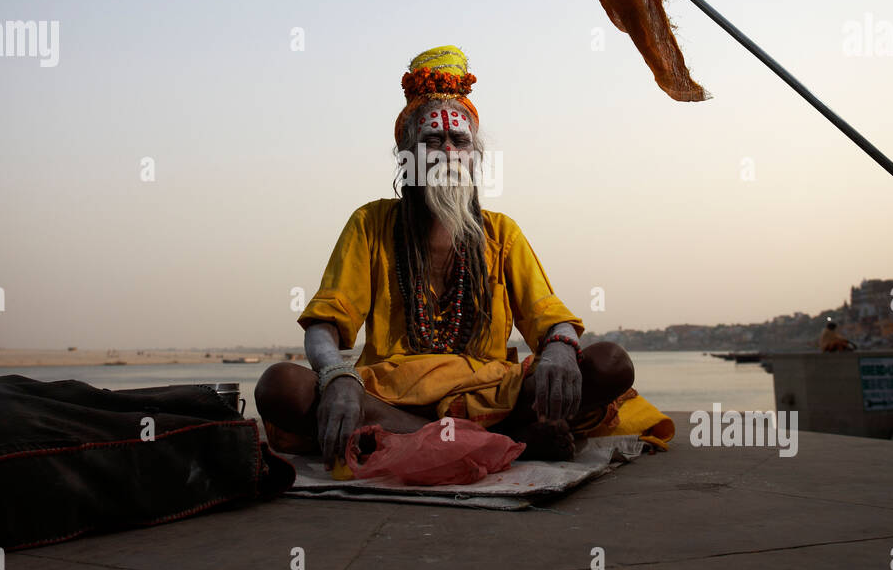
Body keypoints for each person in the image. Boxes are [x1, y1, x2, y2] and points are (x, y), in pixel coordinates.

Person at [255, 45, 635, 466]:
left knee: (610, 364)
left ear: (475, 157)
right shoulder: (371, 222)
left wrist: (561, 350)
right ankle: (501, 442)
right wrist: (337, 377)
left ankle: (427, 441)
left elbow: (550, 317)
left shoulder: (500, 232)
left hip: (489, 394)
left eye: (459, 141)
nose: (448, 153)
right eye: (433, 140)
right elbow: (326, 321)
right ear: (407, 155)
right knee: (281, 387)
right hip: (390, 395)